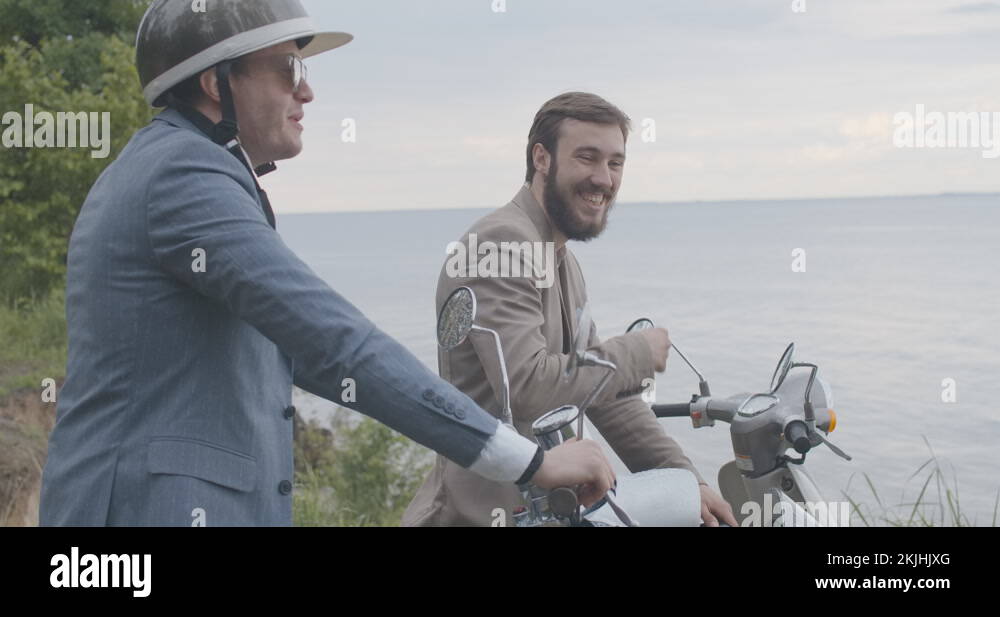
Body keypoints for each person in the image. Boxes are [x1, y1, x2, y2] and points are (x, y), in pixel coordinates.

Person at [38, 0, 615, 527]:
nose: (307, 93)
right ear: (217, 83)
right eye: (289, 69)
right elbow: (332, 340)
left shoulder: (187, 170)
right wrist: (528, 461)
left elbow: (298, 349)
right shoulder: (182, 176)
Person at [404, 92, 739, 527]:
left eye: (615, 163)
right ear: (541, 158)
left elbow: (604, 394)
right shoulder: (501, 243)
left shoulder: (560, 258)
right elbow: (528, 386)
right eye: (587, 157)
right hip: (472, 517)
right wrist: (635, 352)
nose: (603, 178)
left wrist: (688, 482)